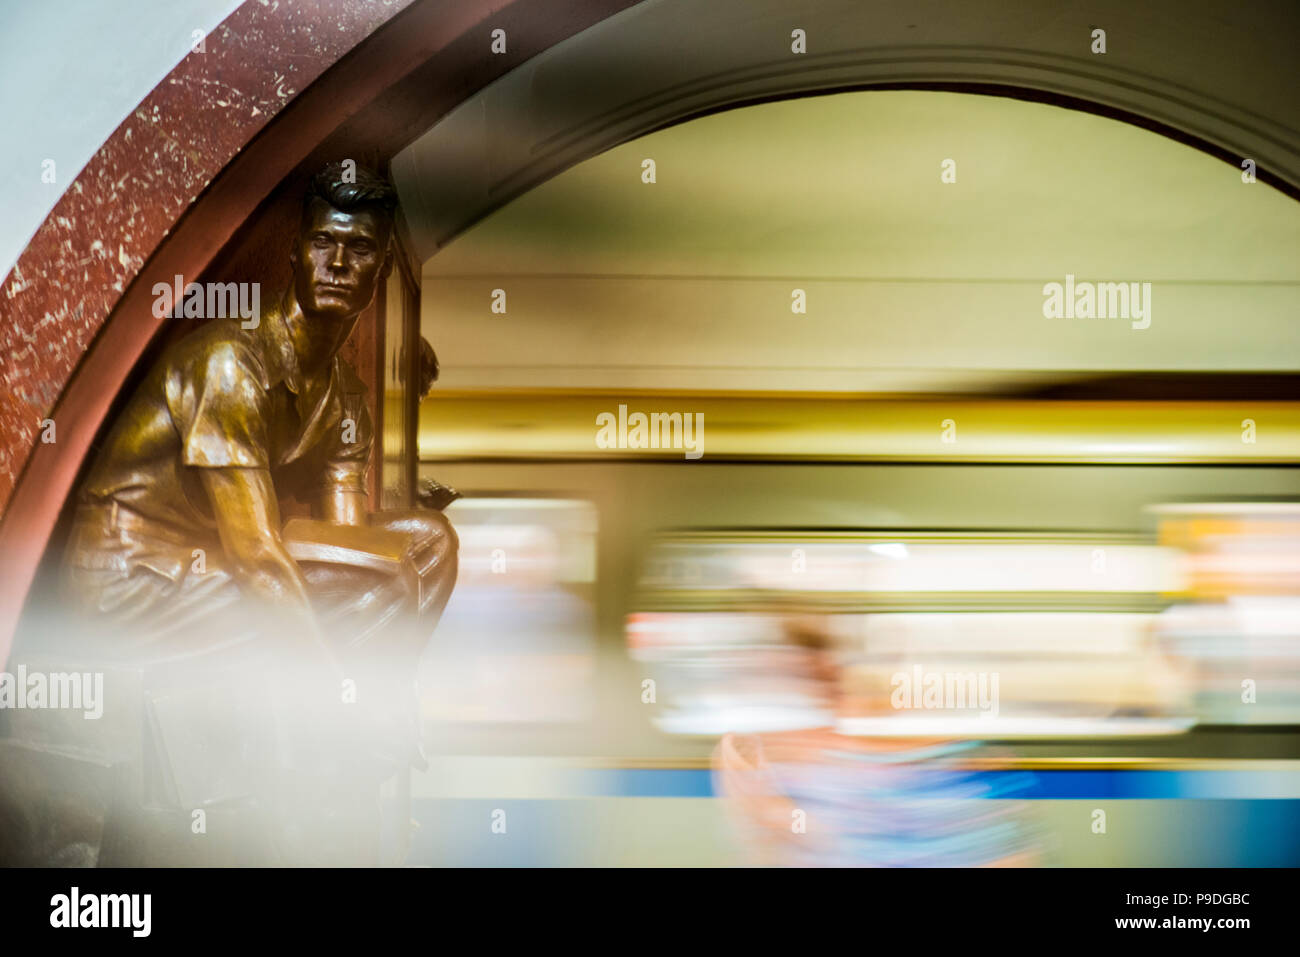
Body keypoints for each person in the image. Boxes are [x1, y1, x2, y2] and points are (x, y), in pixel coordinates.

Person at [48, 162, 457, 863]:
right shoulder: (232, 363)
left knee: (430, 543)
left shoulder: (346, 398)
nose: (336, 263)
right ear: (296, 249)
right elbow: (259, 562)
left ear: (383, 264)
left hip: (215, 562)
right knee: (322, 613)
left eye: (358, 249)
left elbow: (346, 542)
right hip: (129, 569)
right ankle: (321, 765)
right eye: (323, 242)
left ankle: (332, 749)